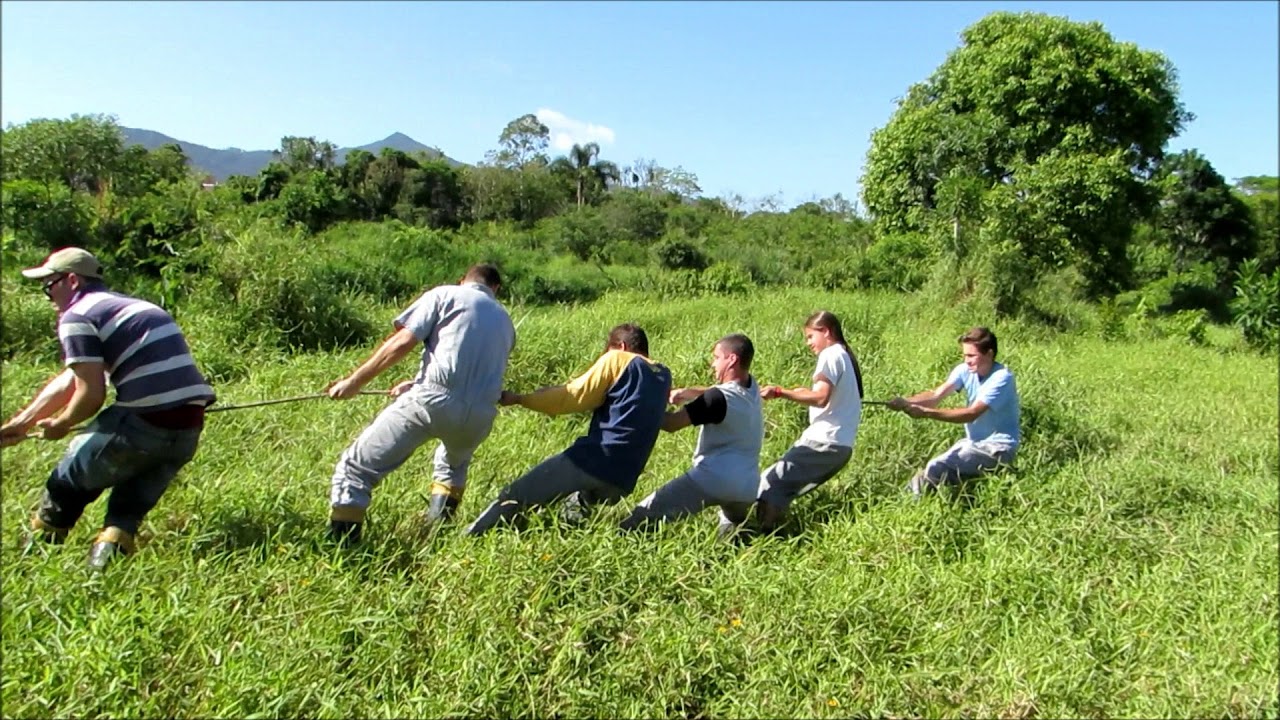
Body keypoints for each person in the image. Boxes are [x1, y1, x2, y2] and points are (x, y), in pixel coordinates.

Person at [0, 247, 217, 570]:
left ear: (72, 280)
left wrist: (61, 423)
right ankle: (101, 576)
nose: (47, 294)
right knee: (126, 511)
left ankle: (34, 563)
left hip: (141, 426)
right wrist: (23, 421)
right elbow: (73, 379)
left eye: (50, 284)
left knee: (66, 485)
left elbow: (90, 393)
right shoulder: (133, 307)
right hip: (187, 429)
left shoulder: (77, 316)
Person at [325, 263, 515, 544]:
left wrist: (354, 382)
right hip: (480, 415)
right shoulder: (505, 320)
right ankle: (437, 536)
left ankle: (342, 547)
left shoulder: (445, 295)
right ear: (495, 289)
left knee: (356, 468)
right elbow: (469, 372)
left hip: (431, 402)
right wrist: (414, 384)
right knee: (452, 466)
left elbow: (402, 342)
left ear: (462, 280)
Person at [464, 324, 672, 536]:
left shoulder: (618, 359)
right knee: (574, 503)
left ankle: (469, 538)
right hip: (624, 478)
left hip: (596, 459)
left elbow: (572, 396)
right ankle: (566, 535)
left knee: (514, 495)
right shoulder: (663, 375)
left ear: (620, 345)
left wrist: (520, 399)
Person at [619, 334, 763, 539]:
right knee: (733, 527)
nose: (713, 364)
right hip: (747, 486)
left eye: (716, 357)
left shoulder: (717, 399)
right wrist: (690, 392)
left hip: (713, 479)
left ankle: (623, 537)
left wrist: (636, 404)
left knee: (640, 519)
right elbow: (721, 392)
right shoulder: (752, 387)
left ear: (731, 360)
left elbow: (670, 424)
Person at [755, 311, 864, 532]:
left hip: (824, 441)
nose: (808, 343)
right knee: (782, 488)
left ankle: (762, 537)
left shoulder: (830, 355)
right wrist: (801, 392)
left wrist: (780, 392)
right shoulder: (843, 356)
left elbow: (821, 398)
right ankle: (777, 535)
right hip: (840, 445)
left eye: (810, 336)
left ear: (826, 331)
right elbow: (827, 396)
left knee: (769, 484)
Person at [887, 326, 1020, 497]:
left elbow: (972, 413)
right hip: (973, 443)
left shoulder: (1002, 378)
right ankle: (904, 502)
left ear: (989, 354)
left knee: (938, 466)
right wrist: (905, 402)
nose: (967, 360)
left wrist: (927, 413)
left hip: (998, 448)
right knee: (930, 469)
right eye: (964, 355)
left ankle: (913, 505)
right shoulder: (965, 370)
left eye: (972, 356)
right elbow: (936, 395)